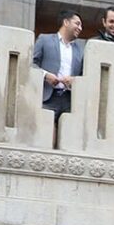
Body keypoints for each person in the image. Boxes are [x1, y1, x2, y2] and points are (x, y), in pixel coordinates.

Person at [32, 9, 84, 138]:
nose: (80, 28)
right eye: (77, 24)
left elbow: (84, 74)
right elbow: (30, 63)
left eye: (81, 25)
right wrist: (45, 75)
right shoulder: (45, 40)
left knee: (69, 138)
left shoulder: (80, 50)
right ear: (66, 22)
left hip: (69, 100)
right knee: (42, 135)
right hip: (48, 97)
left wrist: (74, 80)